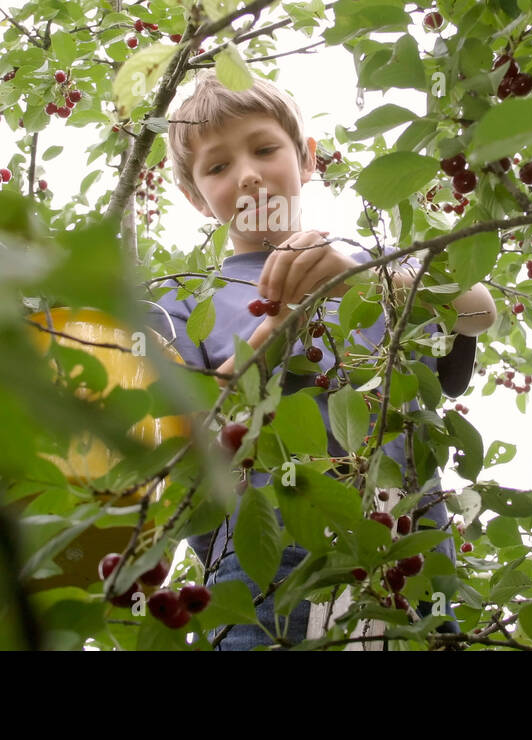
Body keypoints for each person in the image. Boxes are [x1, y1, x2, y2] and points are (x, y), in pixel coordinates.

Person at [141, 71, 497, 650]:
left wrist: (368, 279)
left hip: (405, 534)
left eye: (264, 149)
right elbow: (193, 433)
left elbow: (480, 313)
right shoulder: (186, 306)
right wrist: (281, 325)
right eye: (218, 166)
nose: (249, 173)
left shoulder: (377, 259)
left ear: (306, 158)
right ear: (195, 197)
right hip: (267, 550)